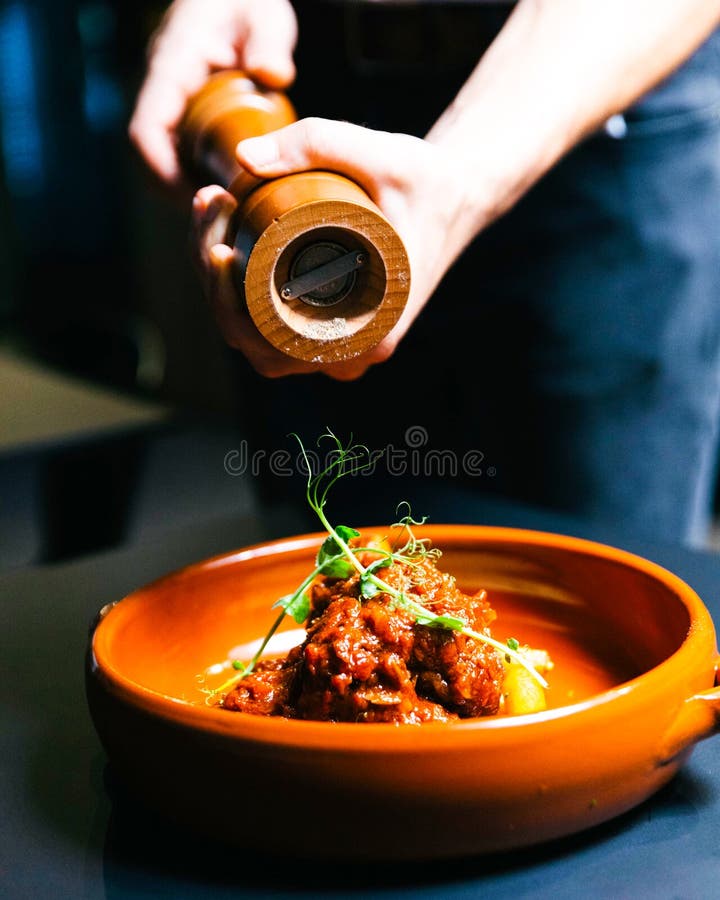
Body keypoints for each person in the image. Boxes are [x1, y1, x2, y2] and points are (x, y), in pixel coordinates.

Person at [130, 0, 720, 546]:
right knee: (330, 577)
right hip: (309, 90)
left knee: (606, 594)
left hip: (592, 89)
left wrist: (464, 171)